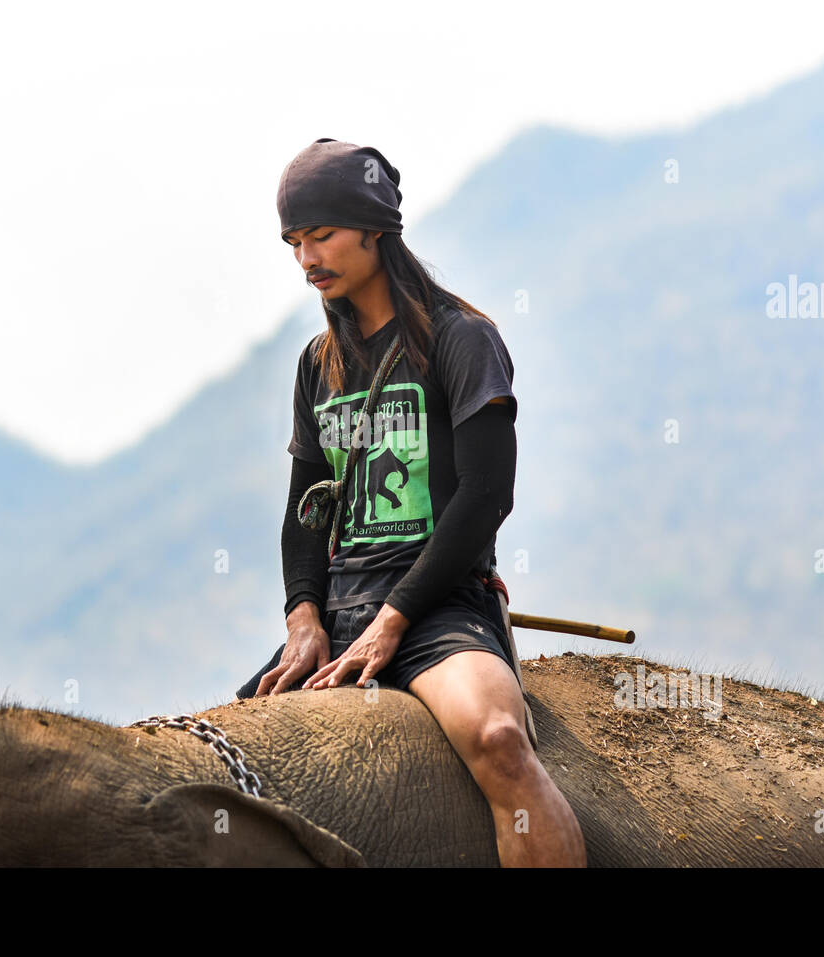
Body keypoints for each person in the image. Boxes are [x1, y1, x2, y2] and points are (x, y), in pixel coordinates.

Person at [238, 138, 586, 867]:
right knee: (229, 771)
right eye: (294, 241)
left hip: (440, 609)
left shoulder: (462, 339)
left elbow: (488, 496)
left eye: (322, 234)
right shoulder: (316, 363)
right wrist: (304, 616)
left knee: (498, 740)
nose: (307, 258)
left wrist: (397, 617)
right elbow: (306, 510)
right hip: (341, 609)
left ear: (376, 229)